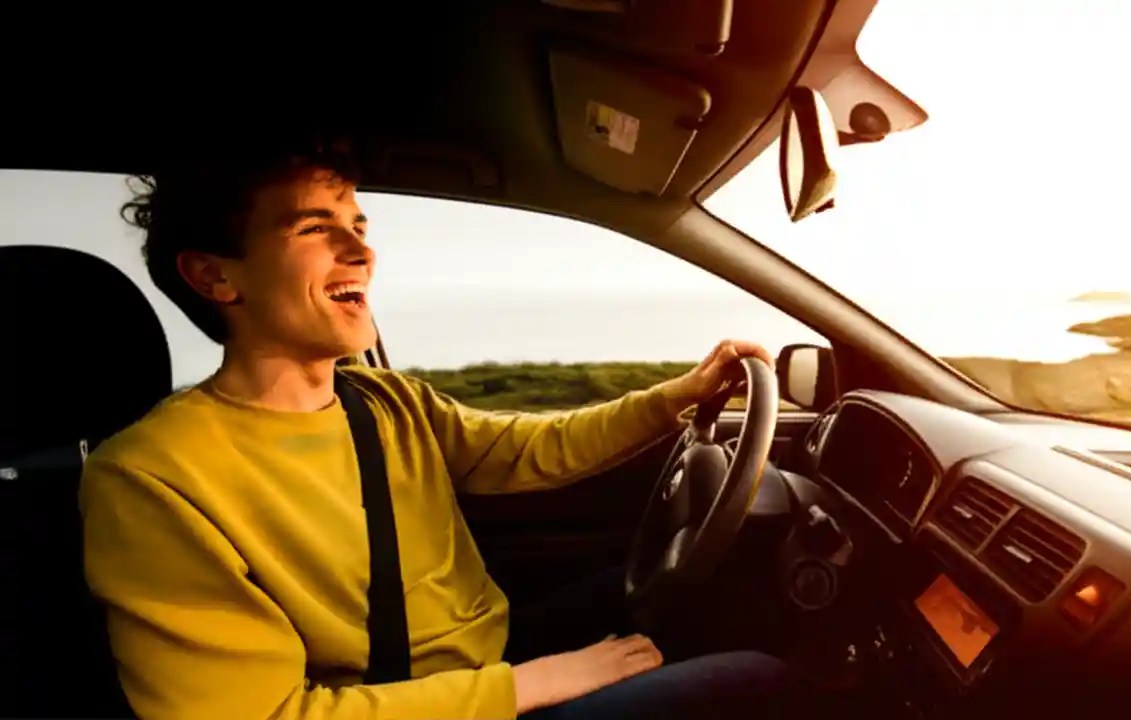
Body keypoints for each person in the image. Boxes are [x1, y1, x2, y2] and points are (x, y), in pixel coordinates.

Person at [80, 135, 791, 719]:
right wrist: (539, 683)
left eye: (358, 227)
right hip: (434, 702)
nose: (361, 252)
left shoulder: (383, 401)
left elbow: (530, 449)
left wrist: (677, 398)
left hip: (488, 657)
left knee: (717, 592)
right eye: (314, 229)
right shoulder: (151, 481)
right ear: (215, 276)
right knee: (760, 683)